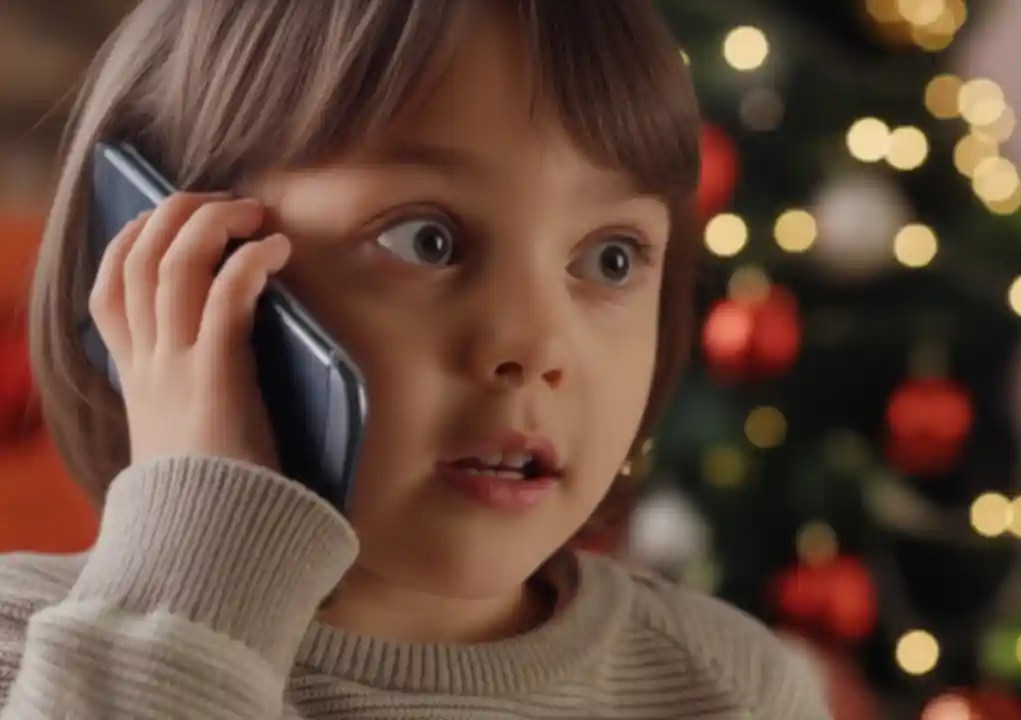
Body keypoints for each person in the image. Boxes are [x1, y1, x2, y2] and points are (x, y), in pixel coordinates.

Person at [0, 1, 832, 717]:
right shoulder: (27, 655)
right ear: (165, 261)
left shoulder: (730, 687)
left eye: (612, 258)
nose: (536, 347)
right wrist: (188, 586)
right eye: (427, 240)